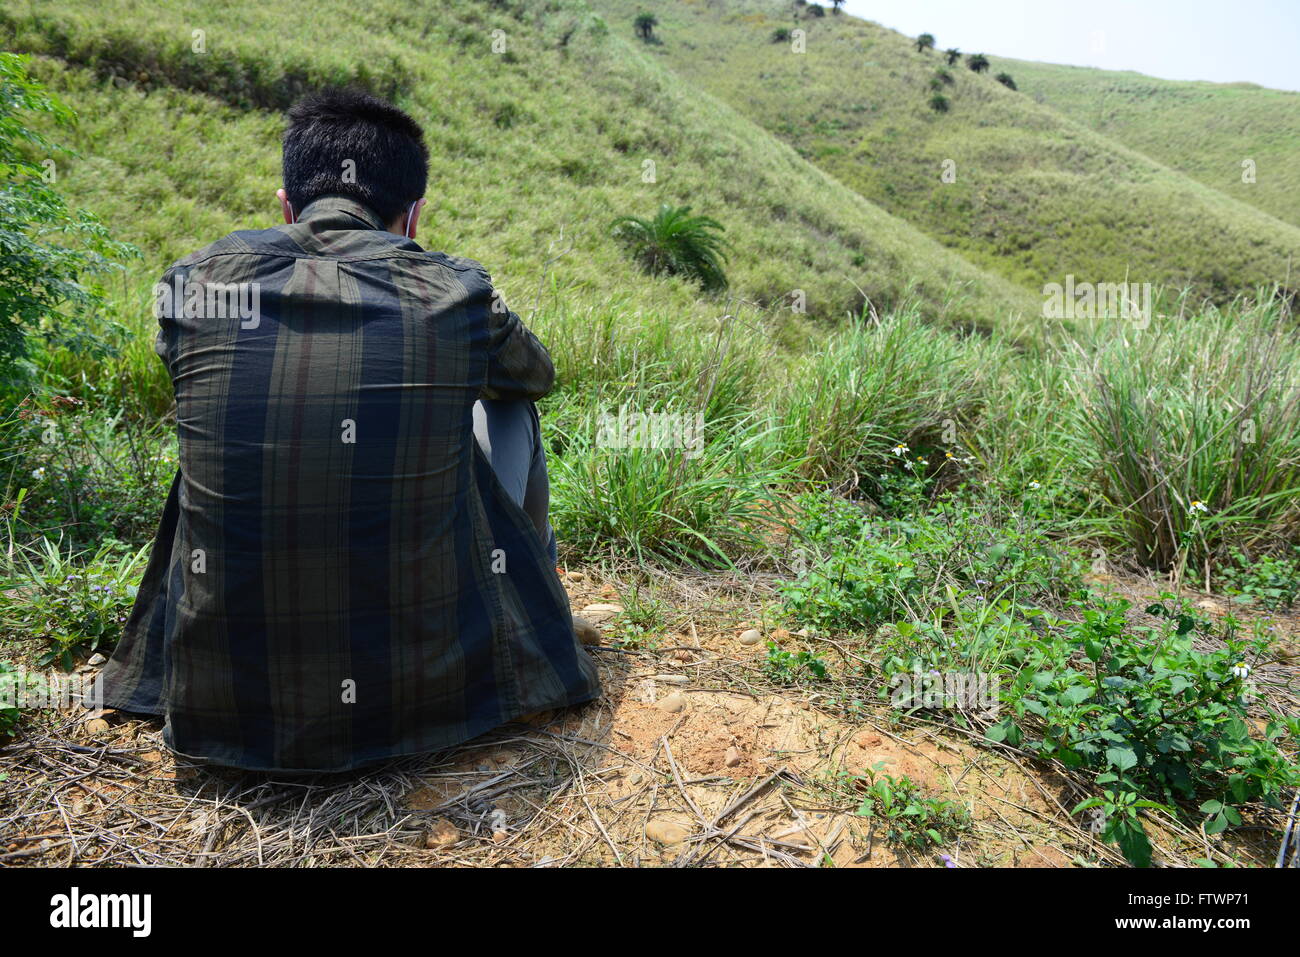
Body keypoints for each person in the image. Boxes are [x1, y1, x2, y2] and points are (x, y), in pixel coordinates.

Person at [98, 88, 601, 772]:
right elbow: (533, 376)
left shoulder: (193, 284)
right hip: (428, 696)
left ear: (285, 203)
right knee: (508, 407)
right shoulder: (455, 290)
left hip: (218, 704)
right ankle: (531, 597)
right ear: (413, 215)